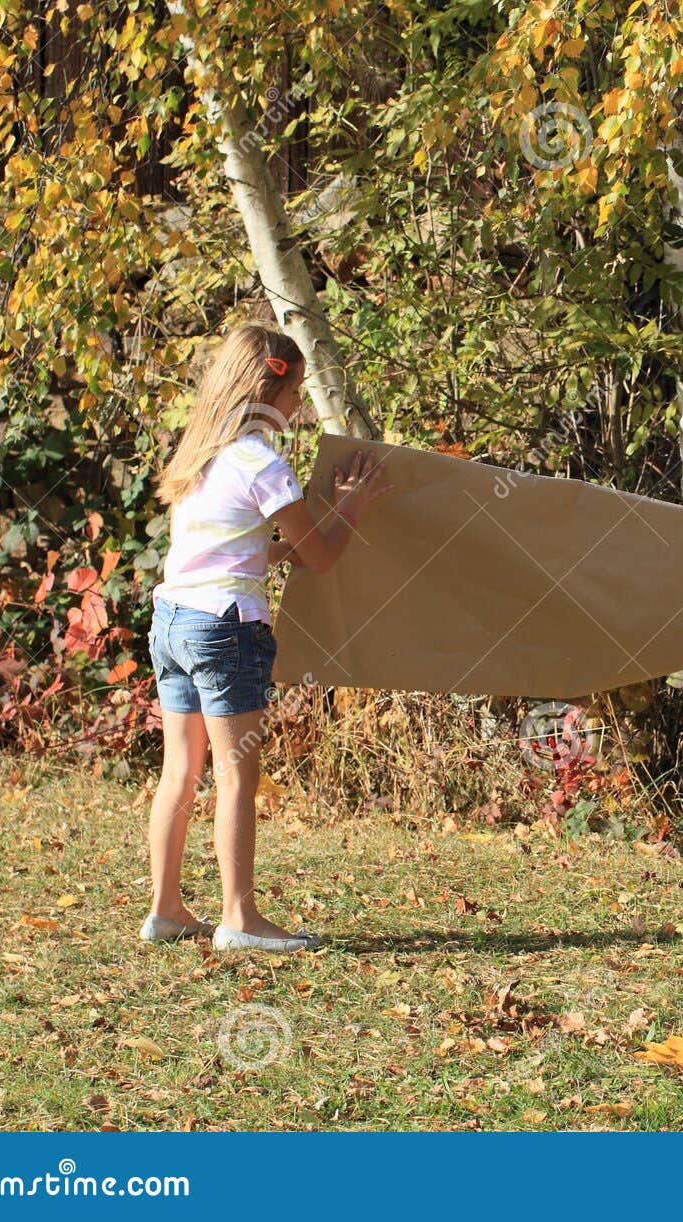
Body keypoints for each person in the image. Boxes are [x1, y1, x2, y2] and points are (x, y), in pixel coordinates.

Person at [141, 321, 391, 951]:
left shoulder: (200, 454)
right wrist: (353, 506)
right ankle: (239, 919)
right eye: (296, 391)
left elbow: (224, 548)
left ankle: (166, 909)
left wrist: (275, 553)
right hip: (226, 629)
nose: (298, 405)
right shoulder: (261, 461)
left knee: (180, 772)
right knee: (236, 779)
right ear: (269, 389)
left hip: (172, 622)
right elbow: (323, 556)